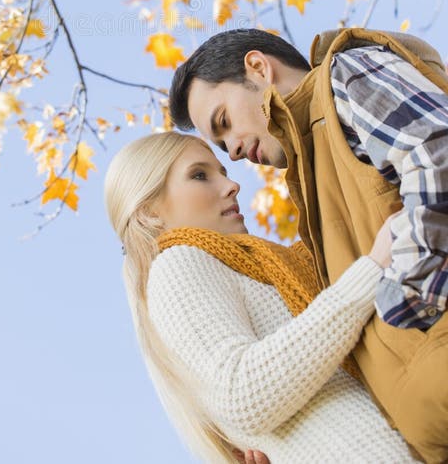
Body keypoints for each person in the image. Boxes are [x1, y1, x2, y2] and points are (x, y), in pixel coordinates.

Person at [168, 26, 448, 463]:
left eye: (224, 122)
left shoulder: (343, 76)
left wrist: (405, 304)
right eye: (221, 146)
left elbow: (438, 155)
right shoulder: (316, 186)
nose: (234, 153)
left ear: (258, 69)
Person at [104, 131, 413, 463]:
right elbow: (242, 394)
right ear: (149, 212)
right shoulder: (177, 263)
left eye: (222, 172)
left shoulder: (250, 271)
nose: (231, 185)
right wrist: (370, 270)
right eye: (199, 175)